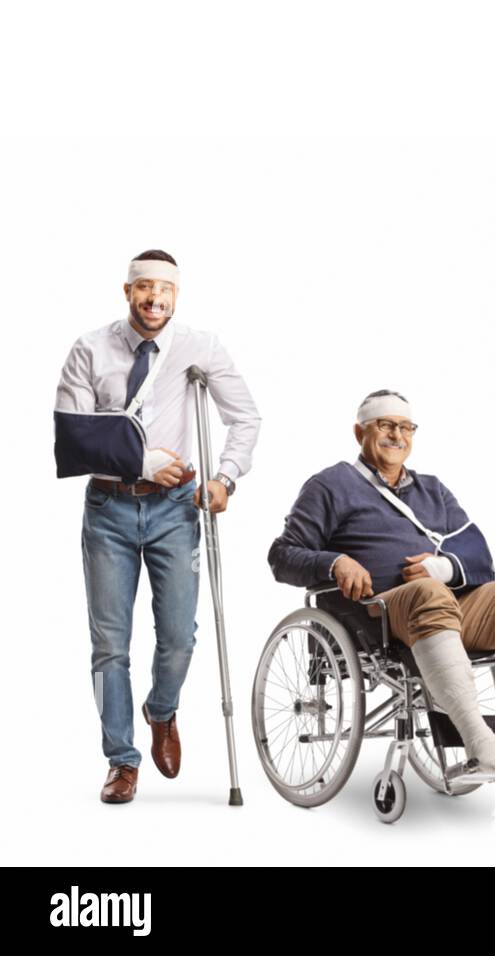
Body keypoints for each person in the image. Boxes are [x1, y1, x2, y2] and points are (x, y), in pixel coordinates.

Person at [55, 249, 262, 804]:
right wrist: (141, 461)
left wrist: (225, 478)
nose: (154, 299)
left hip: (176, 509)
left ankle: (161, 710)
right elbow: (74, 438)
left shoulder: (201, 346)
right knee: (110, 644)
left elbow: (245, 417)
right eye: (144, 288)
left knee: (178, 637)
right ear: (127, 292)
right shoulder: (90, 349)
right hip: (109, 509)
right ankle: (121, 760)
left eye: (164, 289)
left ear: (177, 294)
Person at [267, 389, 495, 776]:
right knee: (427, 592)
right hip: (380, 613)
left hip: (453, 606)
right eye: (385, 425)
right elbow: (282, 556)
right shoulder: (329, 486)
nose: (397, 435)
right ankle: (478, 737)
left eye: (406, 427)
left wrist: (444, 568)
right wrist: (334, 562)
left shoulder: (432, 490)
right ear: (360, 432)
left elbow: (479, 558)